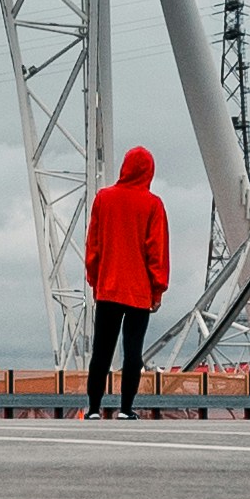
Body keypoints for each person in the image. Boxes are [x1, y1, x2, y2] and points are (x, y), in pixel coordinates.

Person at [81, 143, 168, 416]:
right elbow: (157, 251)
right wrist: (158, 290)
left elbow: (93, 244)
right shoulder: (153, 205)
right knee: (133, 353)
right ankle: (126, 409)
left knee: (101, 352)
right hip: (138, 292)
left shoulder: (103, 199)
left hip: (108, 288)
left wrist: (95, 279)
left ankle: (94, 407)